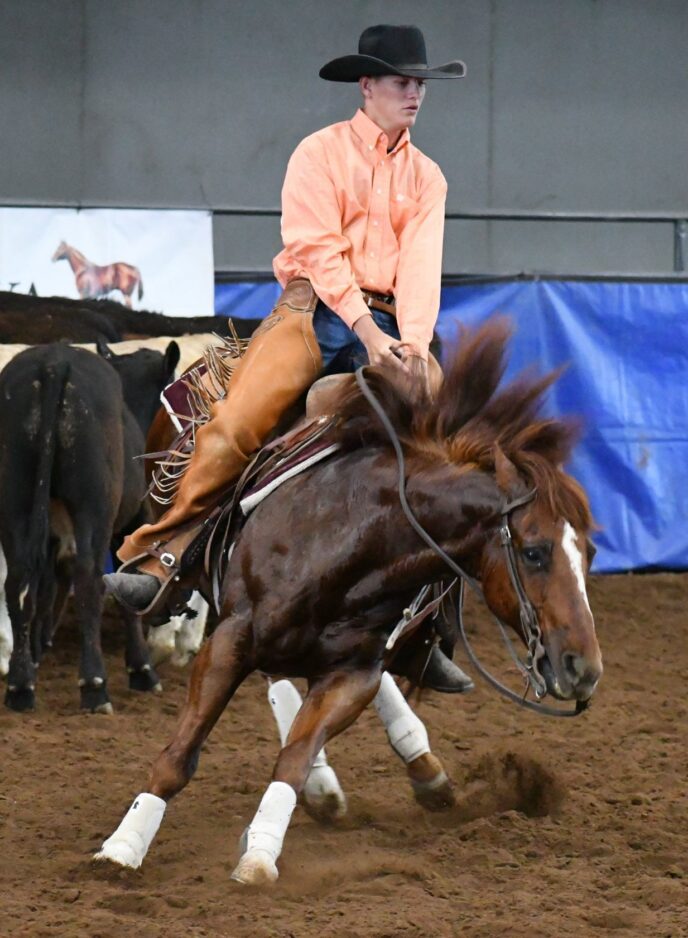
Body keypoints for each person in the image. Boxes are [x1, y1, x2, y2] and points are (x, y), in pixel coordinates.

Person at [105, 24, 471, 692]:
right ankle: (164, 554)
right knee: (238, 421)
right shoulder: (319, 153)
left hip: (395, 324)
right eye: (402, 82)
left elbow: (422, 270)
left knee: (442, 451)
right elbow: (318, 252)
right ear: (367, 86)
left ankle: (425, 624)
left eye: (420, 83)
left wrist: (413, 346)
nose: (415, 93)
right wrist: (367, 331)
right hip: (314, 311)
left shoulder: (428, 177)